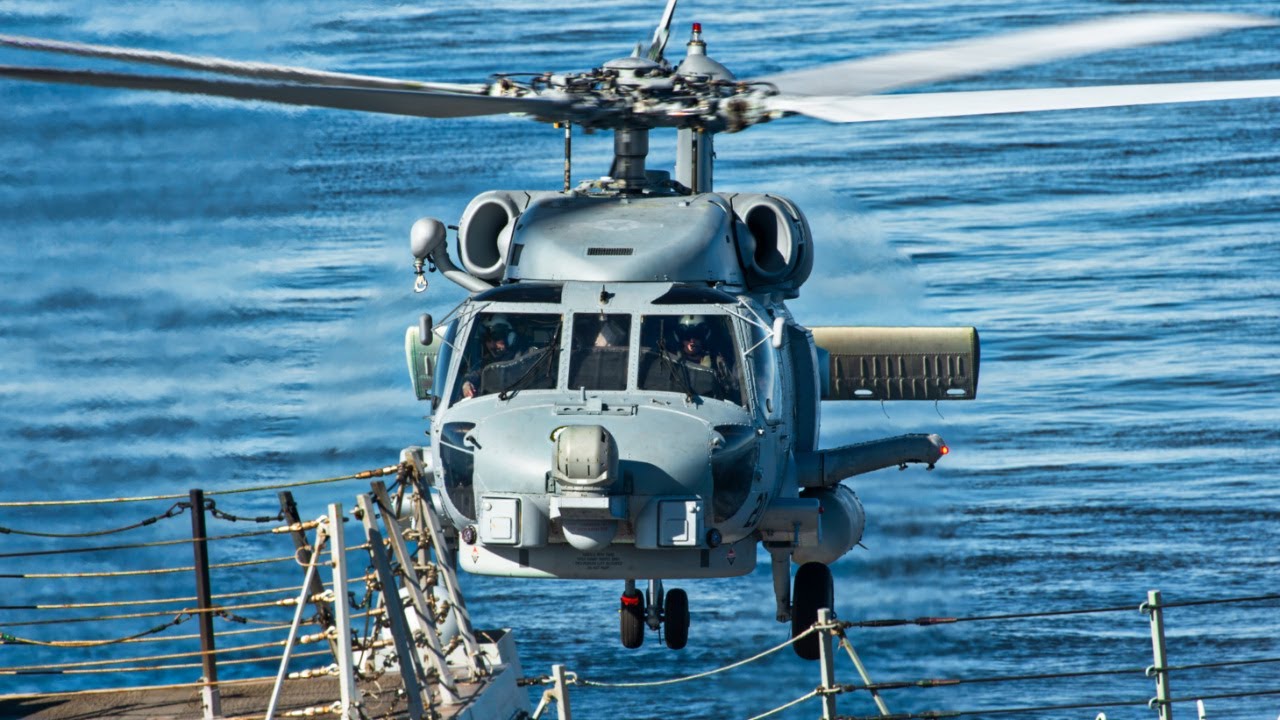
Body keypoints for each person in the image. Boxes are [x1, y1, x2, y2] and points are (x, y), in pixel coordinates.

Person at [462, 314, 521, 398]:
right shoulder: (487, 362)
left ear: (510, 337)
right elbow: (474, 376)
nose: (492, 345)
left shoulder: (525, 357)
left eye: (497, 338)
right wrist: (467, 384)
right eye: (488, 340)